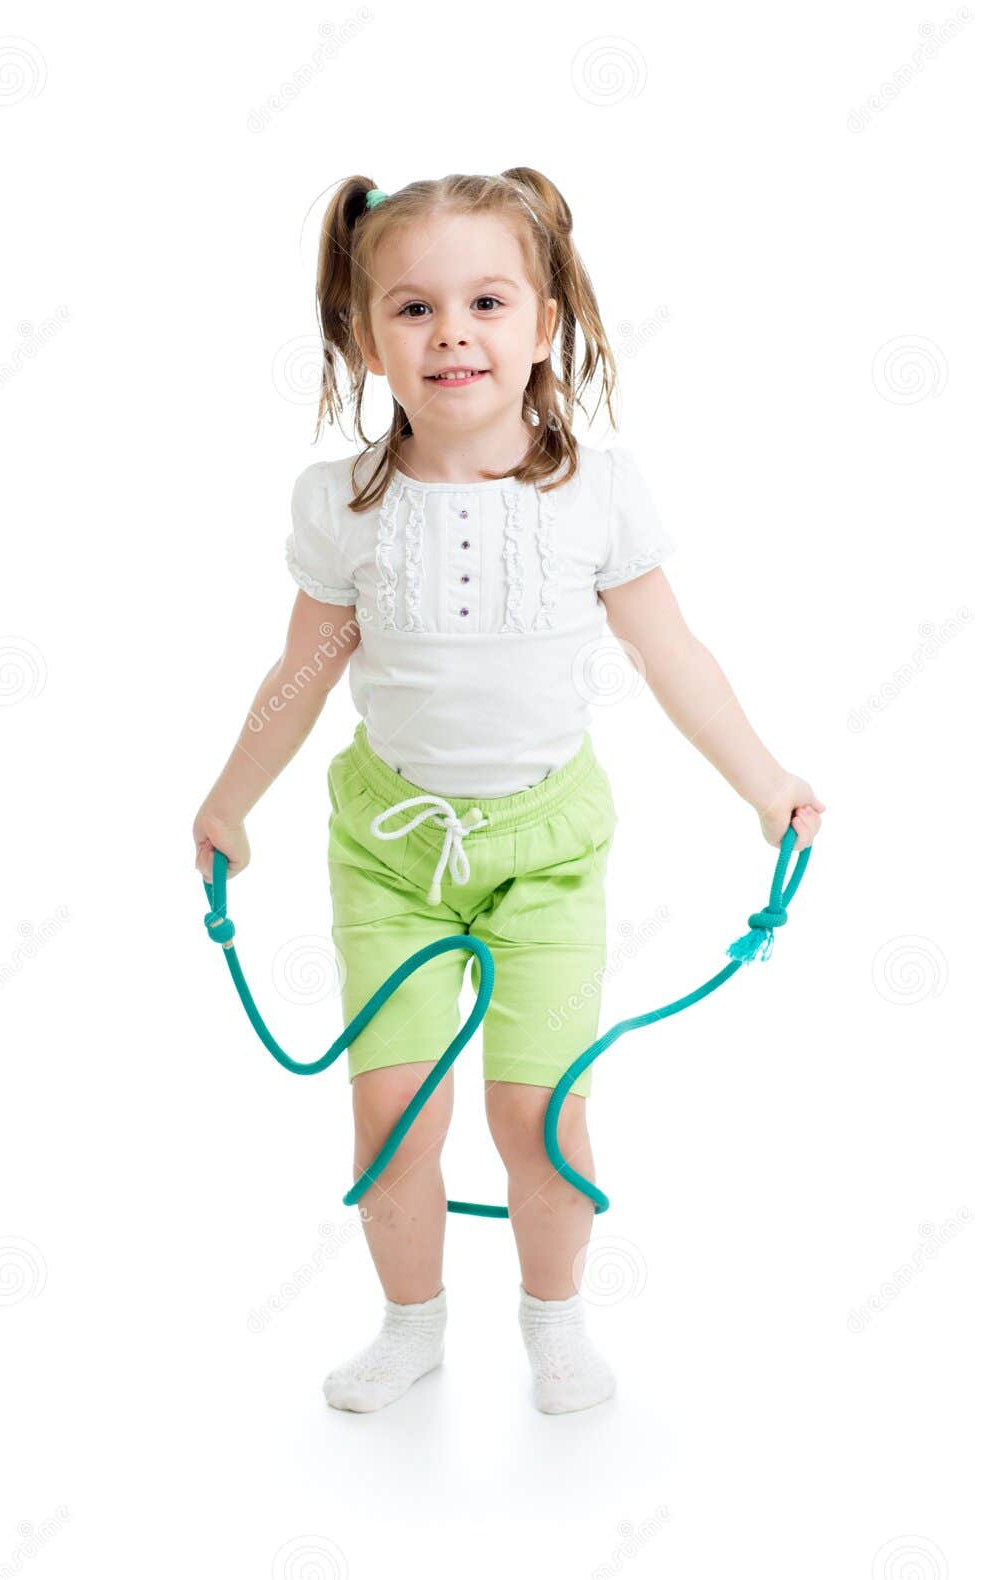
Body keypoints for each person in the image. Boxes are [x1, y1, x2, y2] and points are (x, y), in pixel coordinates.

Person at [192, 168, 825, 1416]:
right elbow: (298, 676)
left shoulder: (593, 490)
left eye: (485, 300)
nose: (451, 333)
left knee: (535, 1122)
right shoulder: (344, 506)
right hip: (390, 854)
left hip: (546, 855)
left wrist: (767, 784)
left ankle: (555, 1321)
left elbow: (674, 657)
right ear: (363, 338)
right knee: (388, 1128)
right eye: (412, 309)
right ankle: (411, 1324)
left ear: (546, 325)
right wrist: (228, 801)